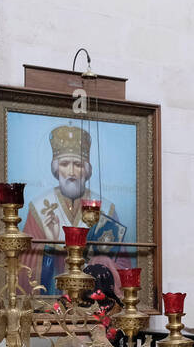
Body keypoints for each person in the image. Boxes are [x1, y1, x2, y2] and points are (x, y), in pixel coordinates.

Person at [20, 125, 127, 294]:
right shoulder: (39, 208)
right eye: (64, 164)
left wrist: (102, 261)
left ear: (86, 170)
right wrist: (49, 248)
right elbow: (26, 267)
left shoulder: (106, 209)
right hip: (53, 300)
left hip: (93, 301)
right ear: (56, 168)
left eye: (77, 164)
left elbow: (122, 265)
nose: (71, 172)